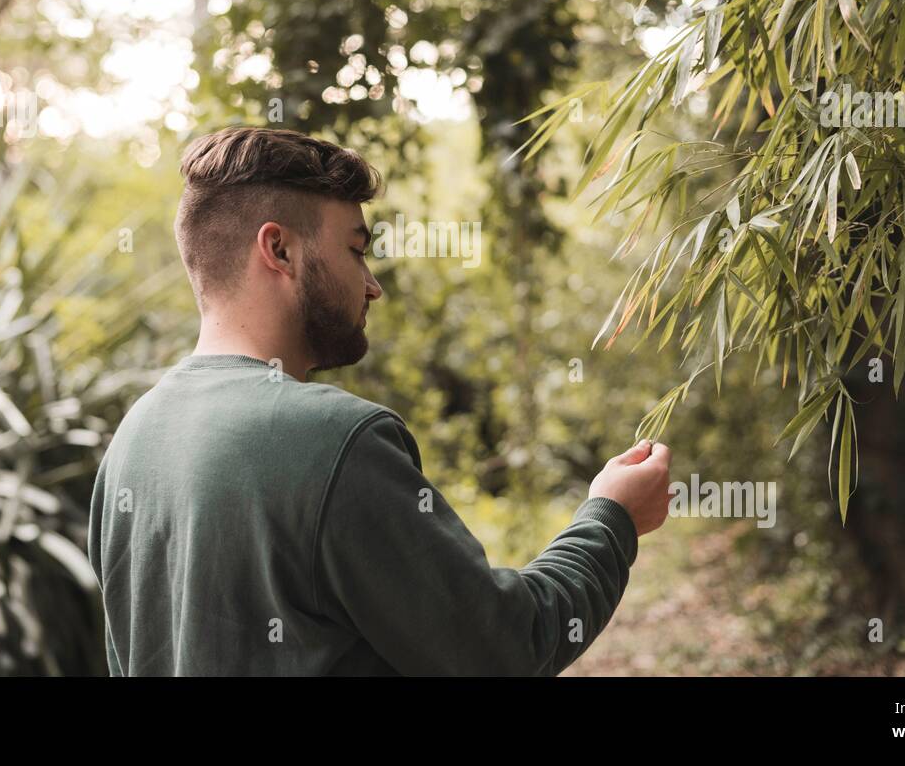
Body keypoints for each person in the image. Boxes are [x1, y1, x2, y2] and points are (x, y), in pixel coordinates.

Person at [87, 125, 672, 675]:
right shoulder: (333, 439)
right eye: (356, 250)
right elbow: (505, 648)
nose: (373, 284)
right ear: (279, 250)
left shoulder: (132, 443)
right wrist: (611, 518)